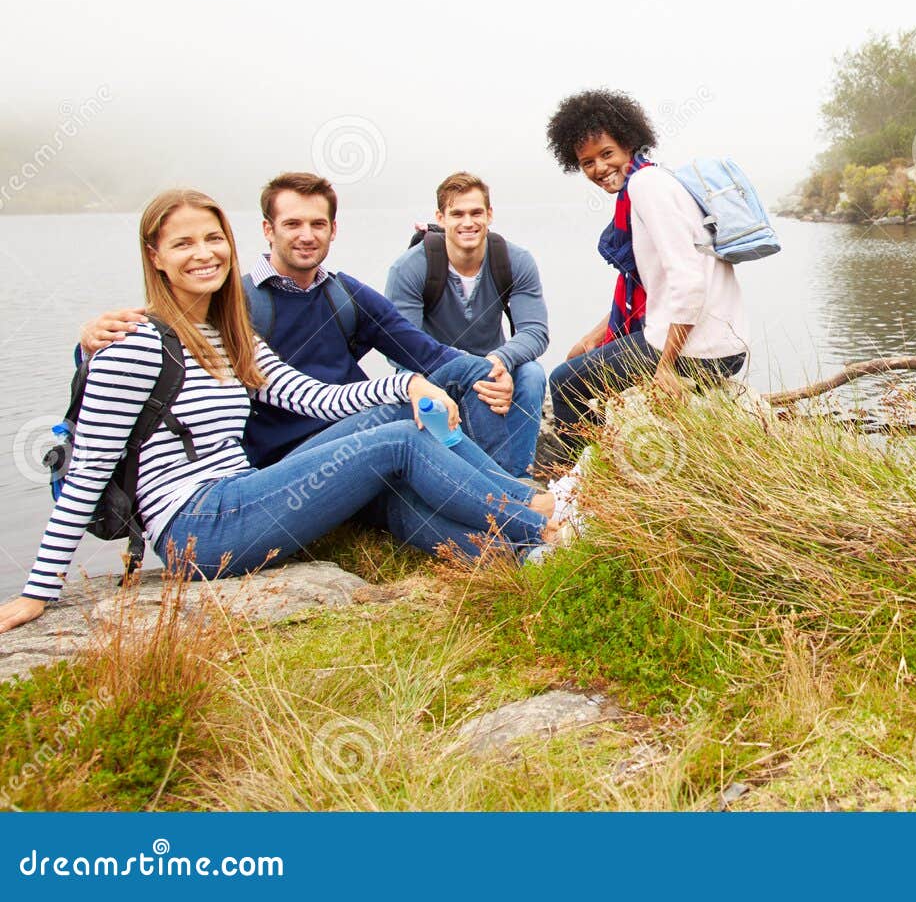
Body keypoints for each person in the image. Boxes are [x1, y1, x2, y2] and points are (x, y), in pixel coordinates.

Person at [0, 188, 561, 634]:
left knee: (400, 431)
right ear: (155, 257)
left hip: (246, 490)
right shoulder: (134, 343)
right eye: (183, 244)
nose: (204, 254)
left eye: (213, 239)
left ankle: (524, 553)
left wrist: (410, 385)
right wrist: (38, 590)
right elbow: (88, 470)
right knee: (402, 444)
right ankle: (541, 511)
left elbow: (313, 397)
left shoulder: (227, 333)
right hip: (196, 526)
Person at [77, 172, 529, 479]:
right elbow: (165, 339)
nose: (306, 235)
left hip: (360, 435)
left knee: (469, 373)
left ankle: (510, 491)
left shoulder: (344, 293)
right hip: (286, 462)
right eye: (292, 223)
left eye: (318, 223)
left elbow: (425, 353)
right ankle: (514, 499)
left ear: (334, 231)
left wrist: (488, 373)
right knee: (402, 409)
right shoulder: (232, 299)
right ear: (267, 230)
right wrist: (88, 344)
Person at [543, 89, 749, 448]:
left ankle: (584, 474)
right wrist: (598, 335)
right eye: (587, 162)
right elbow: (656, 289)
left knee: (564, 383)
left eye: (606, 154)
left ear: (628, 143)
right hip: (720, 344)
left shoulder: (644, 187)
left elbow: (689, 282)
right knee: (582, 367)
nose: (599, 169)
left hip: (700, 352)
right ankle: (607, 457)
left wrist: (665, 366)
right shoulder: (653, 179)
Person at [386, 172, 549, 477]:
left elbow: (535, 331)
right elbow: (399, 349)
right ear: (440, 218)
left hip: (492, 369)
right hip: (435, 371)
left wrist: (500, 359)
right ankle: (440, 471)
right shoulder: (409, 268)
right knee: (408, 376)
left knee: (531, 373)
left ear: (489, 215)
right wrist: (471, 367)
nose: (468, 222)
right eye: (457, 214)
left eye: (476, 212)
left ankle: (517, 479)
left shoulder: (515, 260)